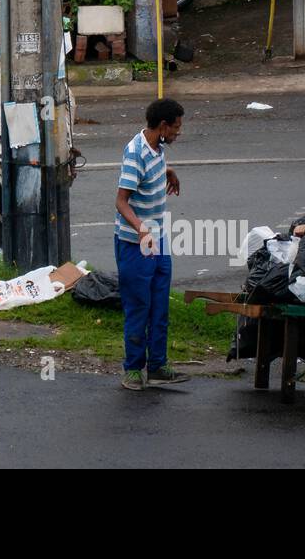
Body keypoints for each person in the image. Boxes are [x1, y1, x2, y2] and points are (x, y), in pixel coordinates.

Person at [116, 97, 190, 391]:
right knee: (139, 306)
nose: (178, 132)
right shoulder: (135, 152)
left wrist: (167, 172)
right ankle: (132, 369)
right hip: (135, 245)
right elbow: (121, 202)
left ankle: (158, 366)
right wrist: (141, 229)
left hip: (157, 242)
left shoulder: (157, 148)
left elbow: (152, 169)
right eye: (176, 127)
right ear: (163, 126)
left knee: (159, 306)